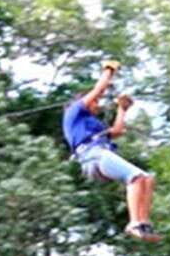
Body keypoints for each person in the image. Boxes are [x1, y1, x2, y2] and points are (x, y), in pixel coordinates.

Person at [62, 60, 161, 242]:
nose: (97, 105)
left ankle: (143, 223)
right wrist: (109, 70)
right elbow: (98, 90)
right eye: (95, 103)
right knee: (136, 178)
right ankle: (133, 222)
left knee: (147, 179)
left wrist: (122, 109)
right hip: (92, 155)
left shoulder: (93, 124)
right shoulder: (74, 112)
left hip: (100, 154)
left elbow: (116, 132)